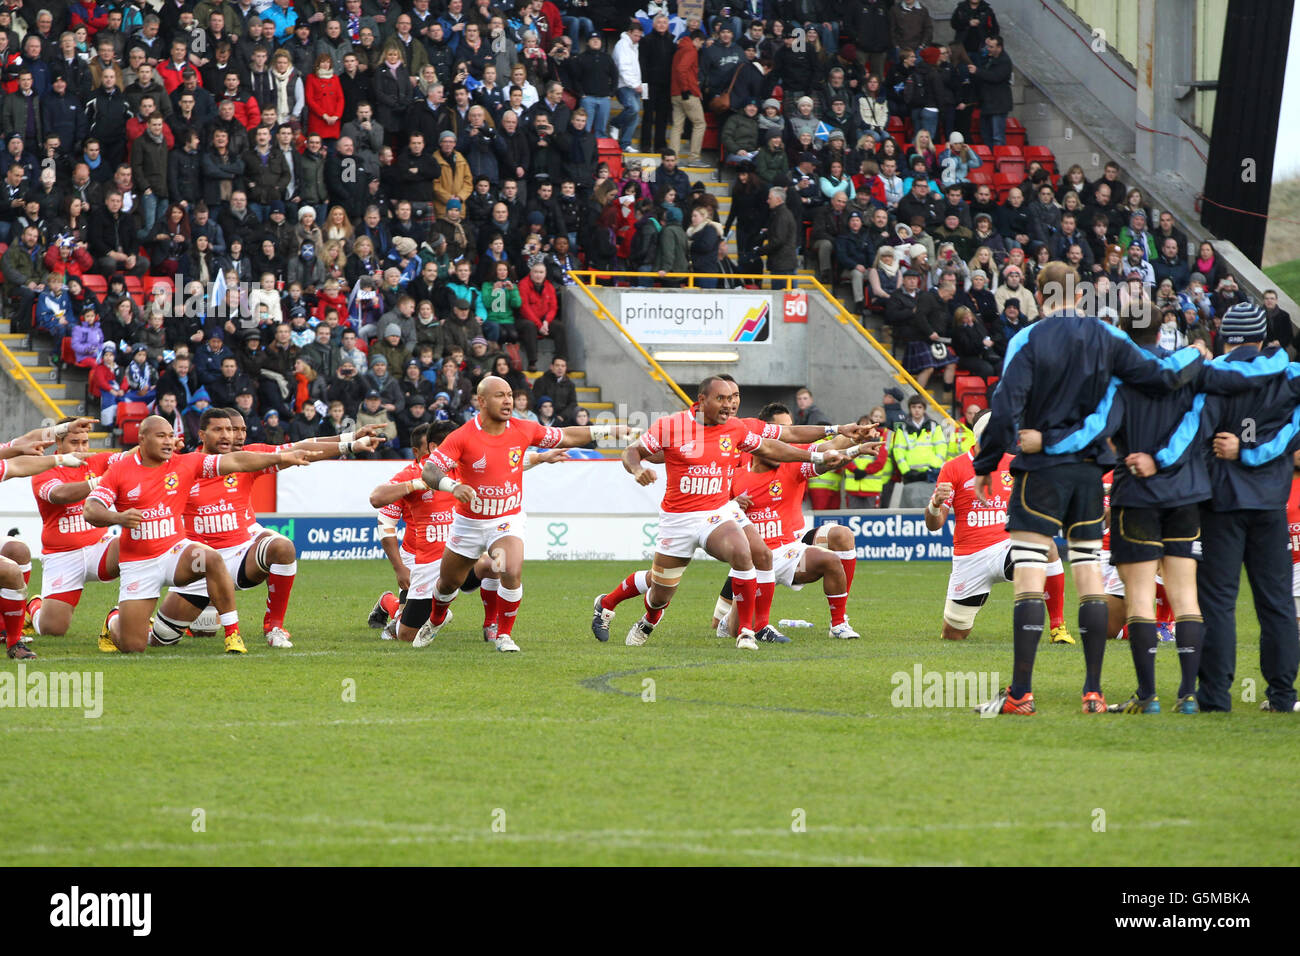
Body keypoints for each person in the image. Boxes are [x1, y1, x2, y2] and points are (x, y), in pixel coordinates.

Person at [971, 262, 1206, 715]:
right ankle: (1092, 693)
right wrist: (1195, 353)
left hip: (1040, 470)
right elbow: (1158, 377)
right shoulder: (1110, 337)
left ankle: (1021, 694)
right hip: (1088, 473)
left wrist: (985, 462)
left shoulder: (1028, 338)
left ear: (1042, 295)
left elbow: (1004, 408)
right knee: (1089, 576)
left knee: (1029, 575)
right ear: (1079, 295)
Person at [595, 376, 842, 650]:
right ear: (702, 400)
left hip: (716, 512)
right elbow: (633, 451)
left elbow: (772, 445)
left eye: (733, 397)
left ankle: (747, 631)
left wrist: (817, 456)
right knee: (660, 592)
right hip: (678, 520)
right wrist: (638, 469)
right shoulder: (671, 425)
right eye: (722, 399)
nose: (729, 404)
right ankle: (645, 617)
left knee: (745, 553)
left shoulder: (737, 427)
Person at [415, 376, 633, 651]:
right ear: (481, 401)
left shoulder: (523, 429)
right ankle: (435, 621)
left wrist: (608, 430)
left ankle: (504, 635)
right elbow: (430, 471)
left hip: (505, 519)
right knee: (447, 584)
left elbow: (565, 435)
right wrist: (453, 485)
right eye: (499, 395)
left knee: (510, 569)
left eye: (509, 394)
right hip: (468, 523)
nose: (507, 400)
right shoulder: (463, 436)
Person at [83, 415, 315, 653]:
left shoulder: (185, 463)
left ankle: (232, 634)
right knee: (136, 646)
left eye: (171, 436)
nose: (168, 441)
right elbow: (91, 509)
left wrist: (282, 457)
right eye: (161, 436)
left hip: (175, 554)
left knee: (211, 559)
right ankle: (114, 620)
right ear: (141, 439)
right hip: (139, 564)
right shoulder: (120, 471)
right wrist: (118, 518)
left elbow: (235, 461)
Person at [714, 403, 873, 641]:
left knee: (837, 545)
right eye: (782, 431)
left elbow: (827, 455)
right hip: (753, 555)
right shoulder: (736, 467)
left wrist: (855, 446)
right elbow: (715, 511)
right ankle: (733, 620)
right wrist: (733, 504)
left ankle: (839, 623)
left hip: (790, 546)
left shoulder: (793, 463)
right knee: (725, 625)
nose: (787, 437)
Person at [925, 410, 1071, 644]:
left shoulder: (1015, 465)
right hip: (969, 559)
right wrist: (935, 504)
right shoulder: (954, 468)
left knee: (1047, 545)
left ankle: (1058, 626)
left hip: (1004, 548)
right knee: (953, 635)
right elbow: (935, 524)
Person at [968, 34, 1012, 147]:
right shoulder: (989, 59)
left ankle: (999, 160)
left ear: (999, 47)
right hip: (987, 103)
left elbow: (995, 77)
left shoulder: (1005, 61)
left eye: (992, 47)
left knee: (997, 137)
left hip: (998, 104)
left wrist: (978, 71)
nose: (989, 49)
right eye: (988, 46)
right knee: (985, 136)